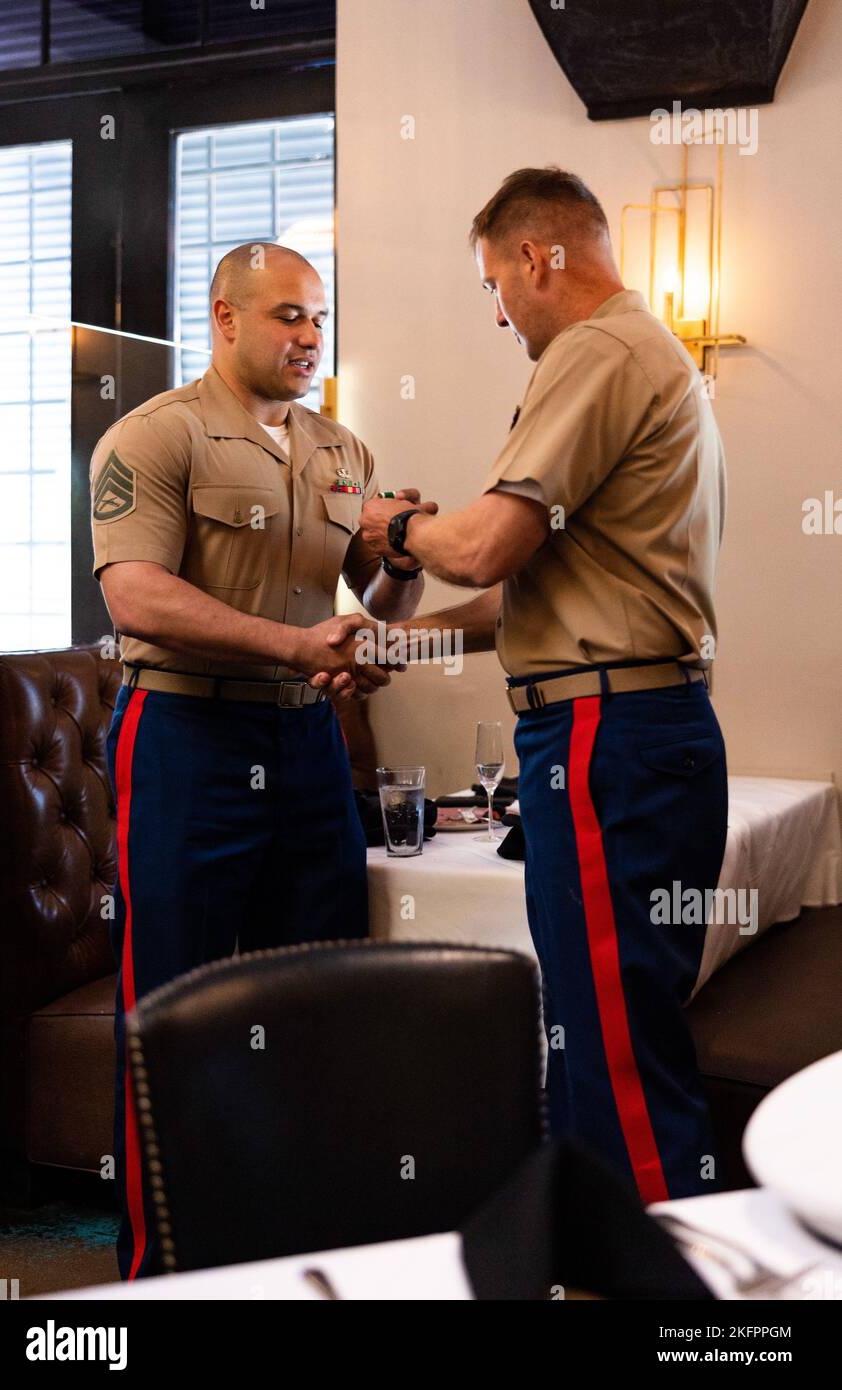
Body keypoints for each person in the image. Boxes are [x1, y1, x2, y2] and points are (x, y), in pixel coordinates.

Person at [357, 168, 728, 1203]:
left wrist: (387, 525)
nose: (497, 309)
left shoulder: (596, 347)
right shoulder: (649, 354)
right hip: (637, 721)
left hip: (606, 734)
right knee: (597, 1029)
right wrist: (393, 645)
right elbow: (531, 595)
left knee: (615, 1058)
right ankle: (598, 1259)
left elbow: (479, 548)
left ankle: (675, 1310)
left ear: (535, 256)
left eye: (492, 282)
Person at [91, 242, 434, 1279]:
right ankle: (164, 1270)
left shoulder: (344, 451)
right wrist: (298, 644)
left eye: (318, 320)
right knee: (174, 1005)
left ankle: (299, 1256)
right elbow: (133, 596)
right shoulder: (152, 437)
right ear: (225, 318)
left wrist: (399, 569)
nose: (307, 338)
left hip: (303, 741)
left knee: (317, 994)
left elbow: (378, 608)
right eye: (286, 316)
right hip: (186, 735)